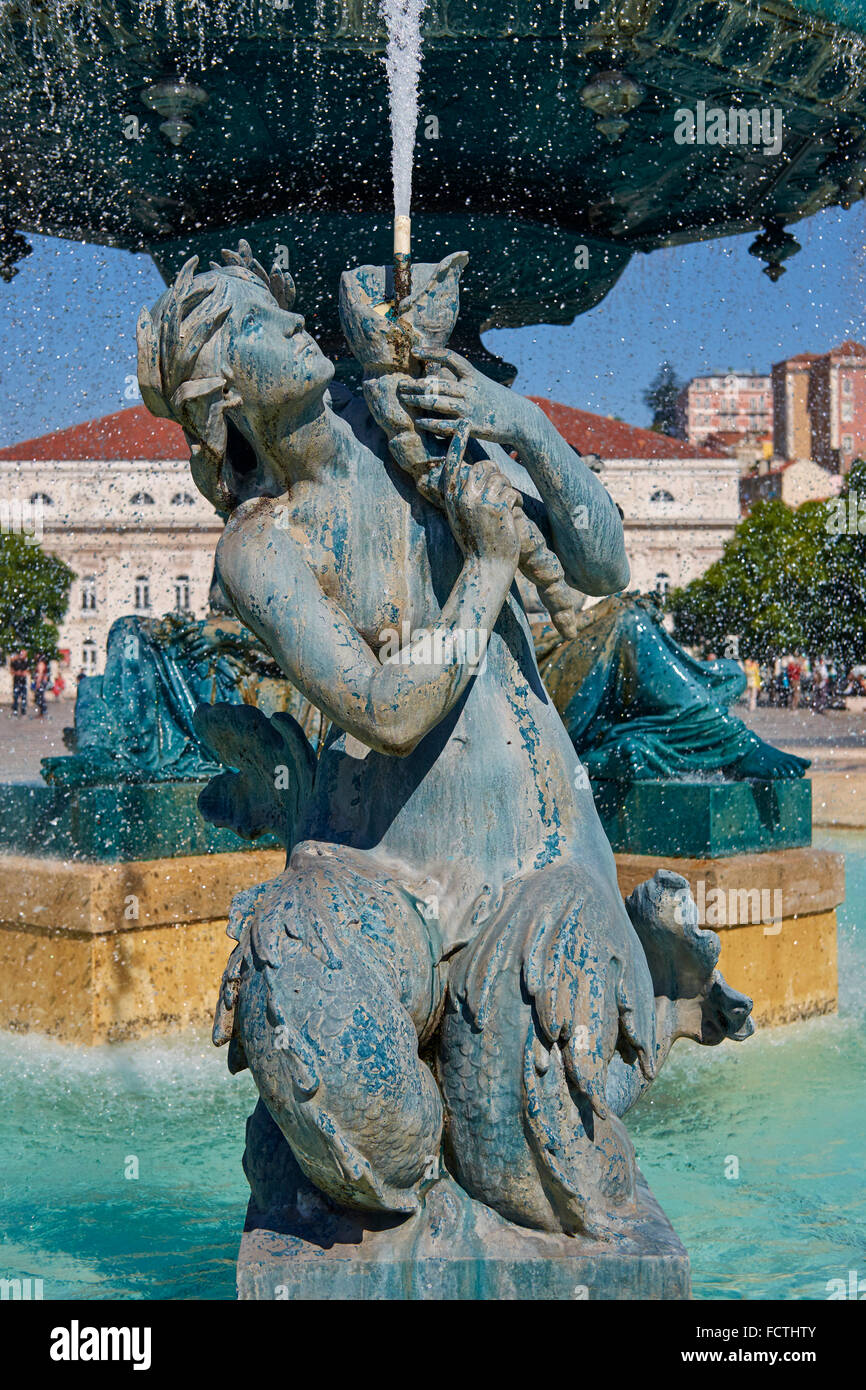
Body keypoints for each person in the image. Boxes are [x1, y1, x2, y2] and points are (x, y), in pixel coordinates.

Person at [134, 244, 751, 1237]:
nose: (295, 322)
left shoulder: (406, 421)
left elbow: (599, 562)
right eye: (258, 322)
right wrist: (486, 570)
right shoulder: (262, 546)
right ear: (219, 400)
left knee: (519, 1142)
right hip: (378, 872)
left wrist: (524, 427)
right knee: (308, 1015)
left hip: (526, 861)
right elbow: (383, 710)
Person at [10, 648, 29, 716]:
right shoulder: (14, 662)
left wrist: (24, 672)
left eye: (24, 654)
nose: (23, 655)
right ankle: (15, 710)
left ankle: (23, 710)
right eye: (22, 654)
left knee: (24, 696)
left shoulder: (26, 662)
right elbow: (11, 671)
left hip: (23, 682)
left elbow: (28, 671)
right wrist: (16, 672)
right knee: (15, 697)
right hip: (16, 682)